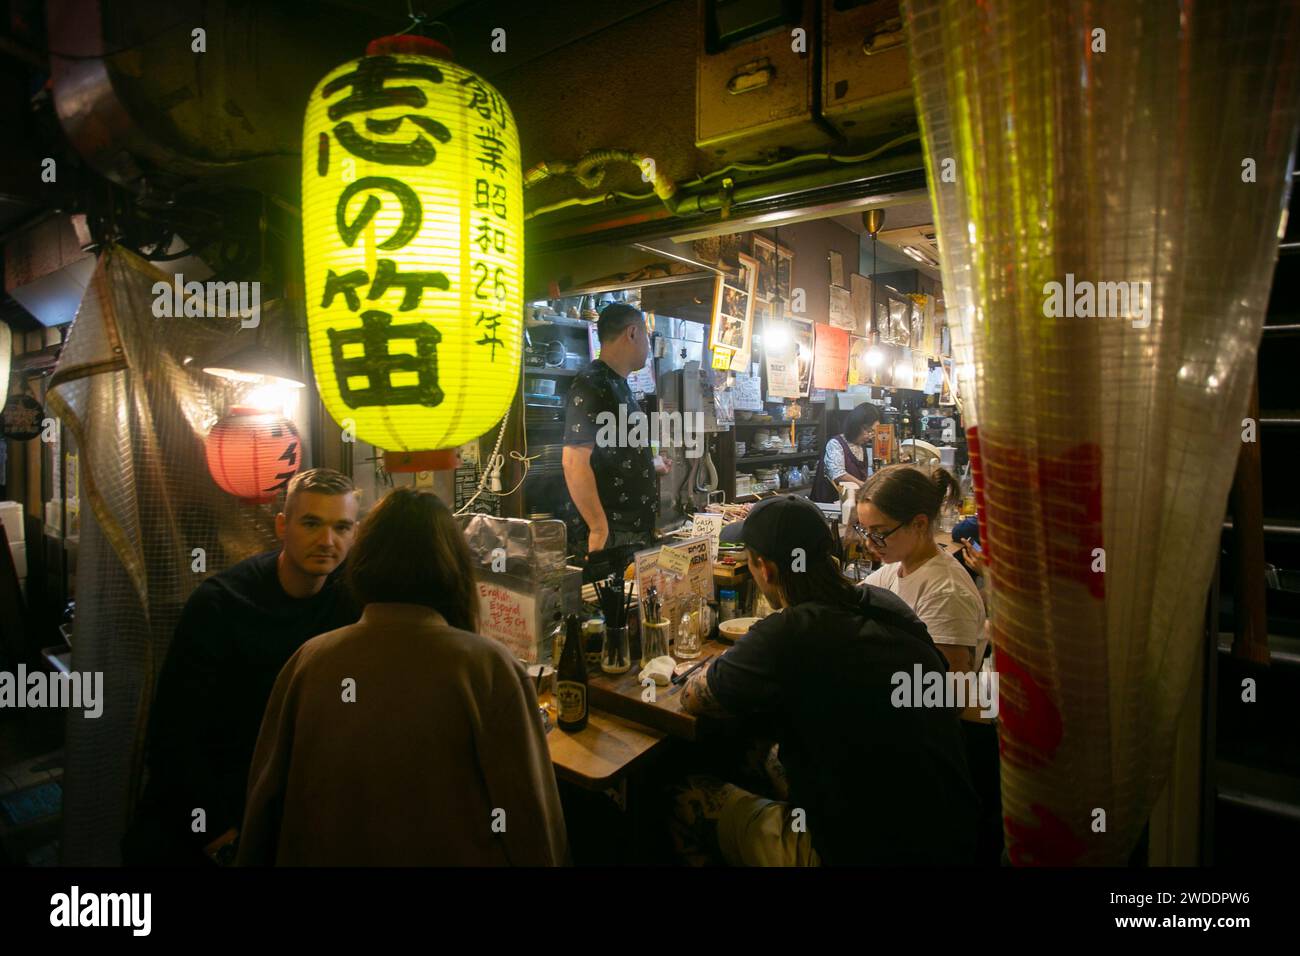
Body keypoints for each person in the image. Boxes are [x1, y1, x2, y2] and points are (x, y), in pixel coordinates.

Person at [237, 487, 567, 866]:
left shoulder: (309, 662)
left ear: (362, 560)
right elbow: (530, 817)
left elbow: (263, 809)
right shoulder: (488, 667)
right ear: (455, 568)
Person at [675, 495, 979, 866]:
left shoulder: (786, 633)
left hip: (861, 852)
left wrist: (729, 659)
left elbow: (692, 697)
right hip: (954, 834)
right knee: (767, 756)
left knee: (684, 795)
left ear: (763, 569)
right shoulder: (883, 603)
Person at [123, 468, 361, 865]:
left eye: (342, 527)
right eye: (311, 523)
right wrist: (221, 839)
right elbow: (173, 738)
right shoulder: (221, 605)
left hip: (293, 805)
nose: (327, 541)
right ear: (282, 525)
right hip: (213, 808)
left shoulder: (349, 599)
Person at [562, 302, 670, 555]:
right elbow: (574, 461)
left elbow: (610, 455)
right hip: (610, 534)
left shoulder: (617, 383)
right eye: (647, 335)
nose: (648, 345)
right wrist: (599, 528)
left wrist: (649, 465)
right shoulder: (593, 382)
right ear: (632, 333)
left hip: (630, 530)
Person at [856, 464, 986, 672]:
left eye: (879, 532)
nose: (869, 543)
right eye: (864, 530)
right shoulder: (899, 566)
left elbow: (950, 694)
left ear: (919, 524)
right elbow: (848, 597)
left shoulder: (945, 593)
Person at [810, 403, 882, 503]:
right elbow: (838, 474)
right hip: (830, 505)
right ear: (856, 425)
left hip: (850, 504)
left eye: (873, 432)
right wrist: (864, 486)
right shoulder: (835, 444)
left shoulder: (861, 447)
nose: (870, 436)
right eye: (868, 430)